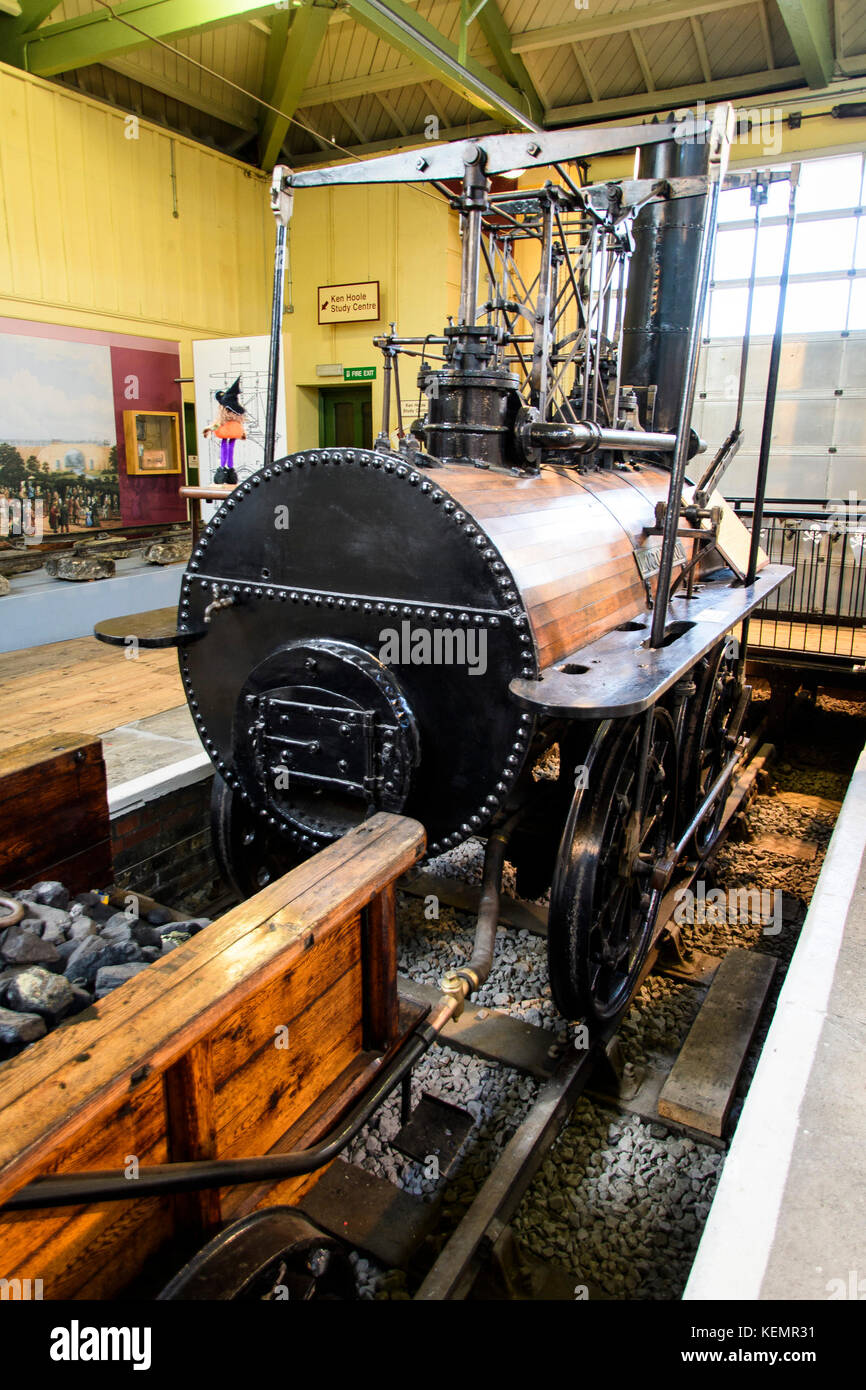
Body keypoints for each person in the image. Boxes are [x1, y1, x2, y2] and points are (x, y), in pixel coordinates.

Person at [203, 377, 246, 484]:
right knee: (229, 447)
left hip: (228, 431)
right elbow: (217, 425)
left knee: (225, 447)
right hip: (232, 431)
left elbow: (216, 425)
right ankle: (228, 468)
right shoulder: (235, 422)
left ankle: (223, 468)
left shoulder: (225, 420)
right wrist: (242, 434)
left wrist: (208, 429)